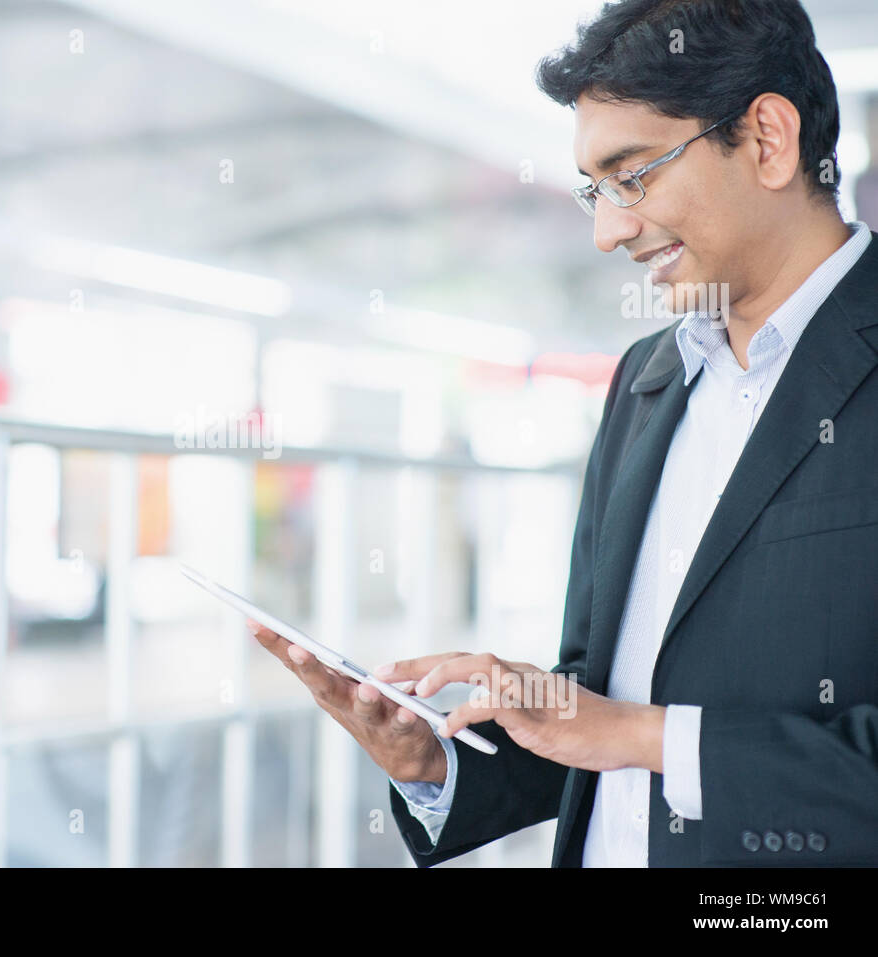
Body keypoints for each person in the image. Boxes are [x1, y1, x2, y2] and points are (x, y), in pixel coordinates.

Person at [249, 0, 878, 866]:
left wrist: (645, 736)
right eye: (596, 189)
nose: (608, 229)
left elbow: (623, 728)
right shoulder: (647, 380)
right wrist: (440, 764)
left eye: (634, 175)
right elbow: (596, 706)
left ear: (768, 138)